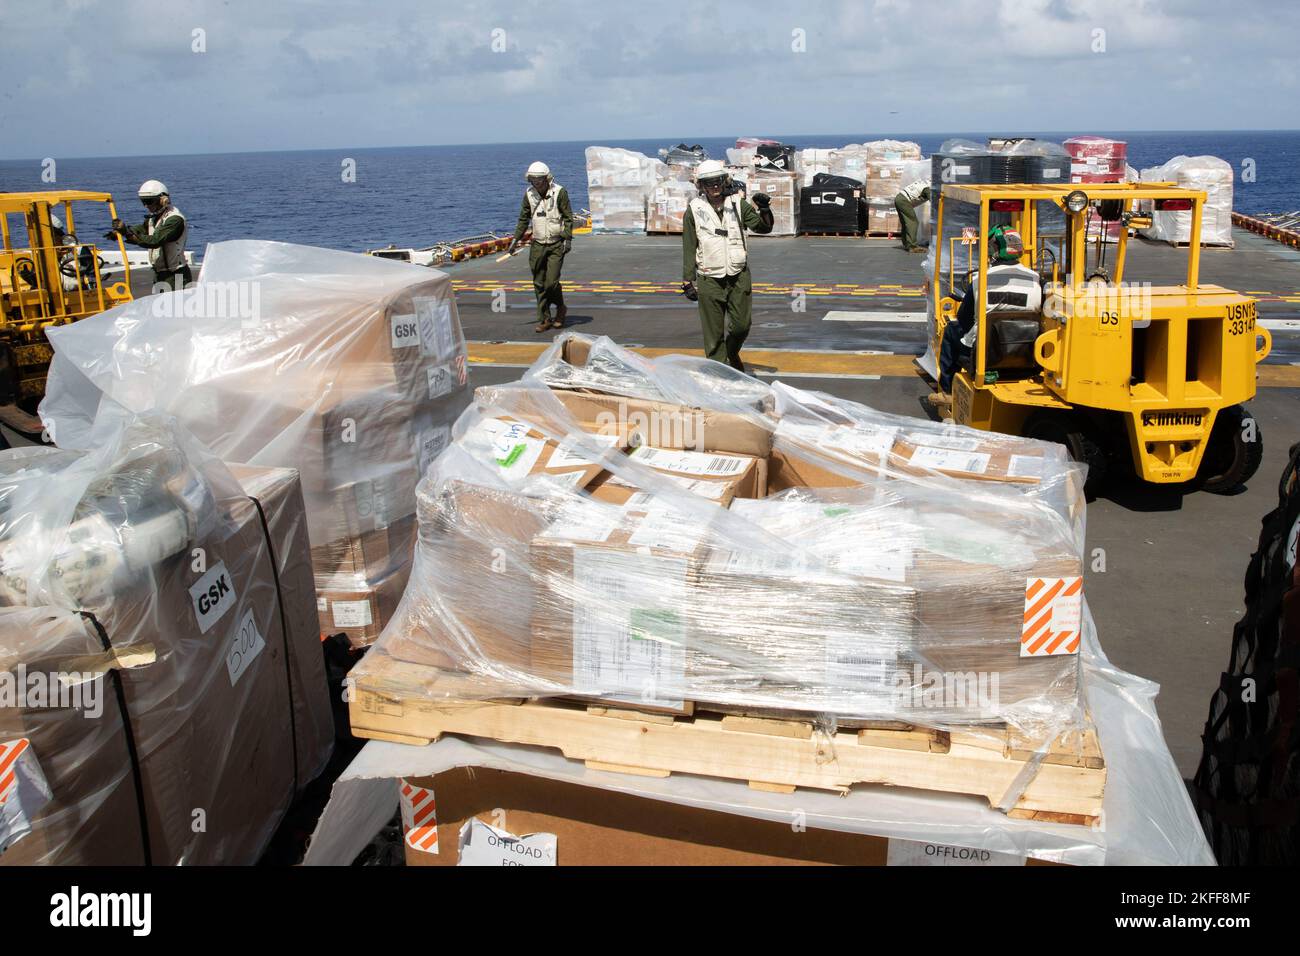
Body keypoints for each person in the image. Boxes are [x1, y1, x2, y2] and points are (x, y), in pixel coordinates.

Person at [930, 225, 1042, 405]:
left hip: (984, 353)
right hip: (1024, 353)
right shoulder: (1036, 279)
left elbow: (964, 319)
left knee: (952, 330)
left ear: (994, 249)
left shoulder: (981, 280)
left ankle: (948, 392)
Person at [680, 160, 774, 371]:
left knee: (741, 326)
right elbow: (689, 245)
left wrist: (765, 209)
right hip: (708, 277)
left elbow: (763, 227)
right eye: (708, 183)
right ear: (701, 186)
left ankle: (731, 354)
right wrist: (687, 279)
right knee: (713, 336)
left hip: (738, 276)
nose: (714, 187)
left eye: (717, 182)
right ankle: (722, 376)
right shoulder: (694, 210)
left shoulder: (738, 205)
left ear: (725, 182)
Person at [507, 162, 574, 333]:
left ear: (546, 178)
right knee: (539, 283)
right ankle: (544, 318)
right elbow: (523, 219)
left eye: (539, 179)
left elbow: (568, 218)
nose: (536, 182)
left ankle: (560, 308)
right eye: (533, 179)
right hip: (537, 244)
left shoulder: (559, 192)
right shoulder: (529, 195)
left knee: (551, 283)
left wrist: (567, 239)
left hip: (556, 243)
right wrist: (515, 240)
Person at [106, 180, 190, 290]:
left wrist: (126, 232)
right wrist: (120, 231)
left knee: (176, 306)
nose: (146, 205)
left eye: (149, 201)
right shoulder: (154, 217)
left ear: (163, 200)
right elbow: (142, 229)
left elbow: (155, 241)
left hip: (176, 274)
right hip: (160, 274)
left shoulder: (174, 219)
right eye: (143, 201)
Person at [895, 179, 931, 252]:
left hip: (899, 198)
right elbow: (934, 202)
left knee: (906, 223)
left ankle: (907, 244)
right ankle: (912, 246)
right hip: (904, 201)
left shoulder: (925, 182)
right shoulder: (928, 188)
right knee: (913, 222)